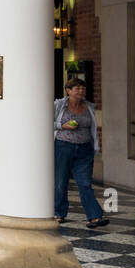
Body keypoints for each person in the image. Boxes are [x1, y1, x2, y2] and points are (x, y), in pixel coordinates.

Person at [55, 78, 109, 228]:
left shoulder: (89, 107)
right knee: (60, 182)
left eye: (83, 88)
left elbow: (92, 129)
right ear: (68, 90)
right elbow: (45, 121)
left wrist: (94, 148)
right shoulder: (59, 105)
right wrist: (62, 125)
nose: (81, 91)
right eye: (77, 88)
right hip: (63, 147)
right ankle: (58, 213)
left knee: (85, 183)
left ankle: (94, 216)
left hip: (84, 149)